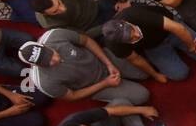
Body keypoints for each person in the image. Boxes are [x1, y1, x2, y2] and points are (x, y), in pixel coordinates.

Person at [19, 27, 147, 105]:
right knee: (142, 95)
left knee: (144, 72)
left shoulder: (54, 35)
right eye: (49, 62)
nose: (55, 59)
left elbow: (86, 41)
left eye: (51, 54)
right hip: (96, 85)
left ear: (44, 45)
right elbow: (73, 96)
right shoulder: (44, 82)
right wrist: (105, 84)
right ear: (35, 65)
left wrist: (108, 63)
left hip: (102, 60)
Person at [101, 5, 196, 83]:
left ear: (125, 22)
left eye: (132, 30)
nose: (136, 35)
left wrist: (191, 46)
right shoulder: (113, 44)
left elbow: (176, 27)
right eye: (130, 38)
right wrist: (155, 75)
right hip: (153, 47)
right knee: (180, 75)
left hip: (170, 31)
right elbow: (136, 59)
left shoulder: (134, 14)